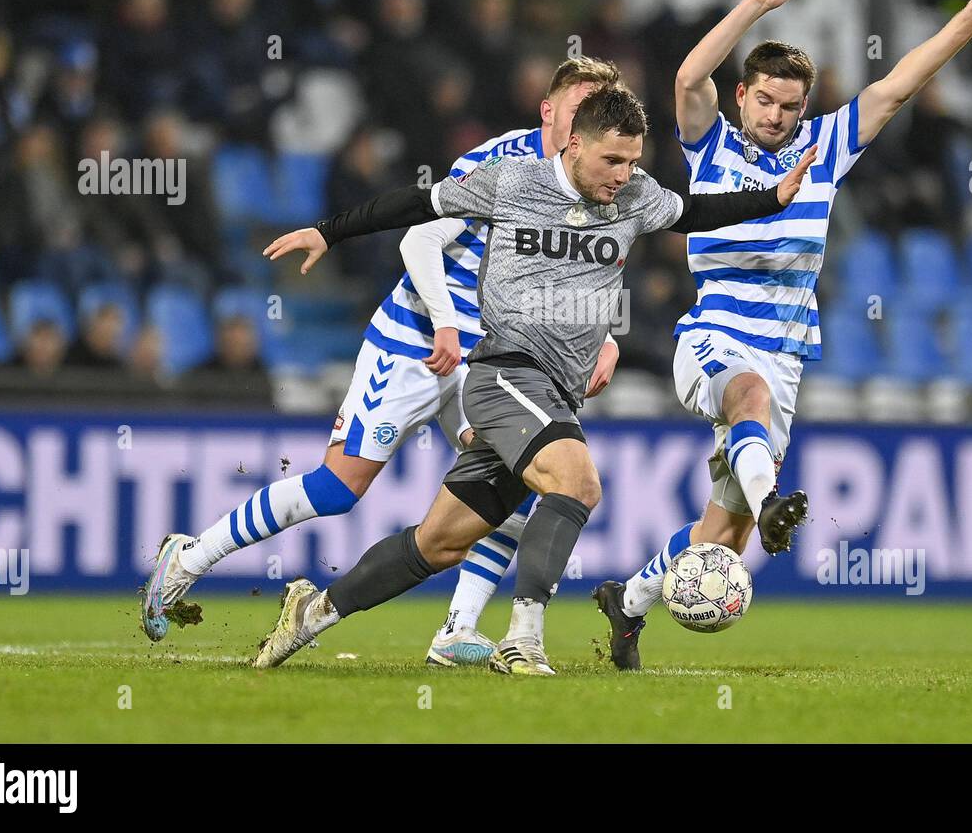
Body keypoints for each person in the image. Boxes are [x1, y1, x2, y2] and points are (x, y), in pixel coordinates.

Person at [250, 84, 818, 674]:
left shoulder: (636, 197)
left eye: (632, 160)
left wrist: (774, 197)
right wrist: (330, 230)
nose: (624, 174)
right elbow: (418, 205)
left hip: (554, 393)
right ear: (575, 144)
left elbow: (697, 211)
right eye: (612, 160)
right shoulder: (513, 181)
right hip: (504, 373)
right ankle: (523, 638)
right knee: (578, 482)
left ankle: (312, 613)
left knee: (438, 544)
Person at [592, 0, 972, 669]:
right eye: (764, 100)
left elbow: (899, 84)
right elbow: (683, 79)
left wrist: (971, 20)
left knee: (718, 546)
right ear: (742, 96)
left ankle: (629, 601)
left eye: (790, 106)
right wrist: (757, 5)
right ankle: (772, 504)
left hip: (787, 354)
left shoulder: (825, 148)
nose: (775, 116)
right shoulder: (712, 144)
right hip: (714, 336)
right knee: (747, 397)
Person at [138, 58, 622, 648]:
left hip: (492, 360)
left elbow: (575, 277)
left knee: (515, 483)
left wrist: (604, 337)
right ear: (548, 110)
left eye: (598, 115)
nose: (587, 128)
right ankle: (189, 558)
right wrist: (444, 321)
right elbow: (420, 237)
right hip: (417, 341)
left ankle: (457, 630)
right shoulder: (502, 164)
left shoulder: (592, 186)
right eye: (579, 111)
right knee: (338, 489)